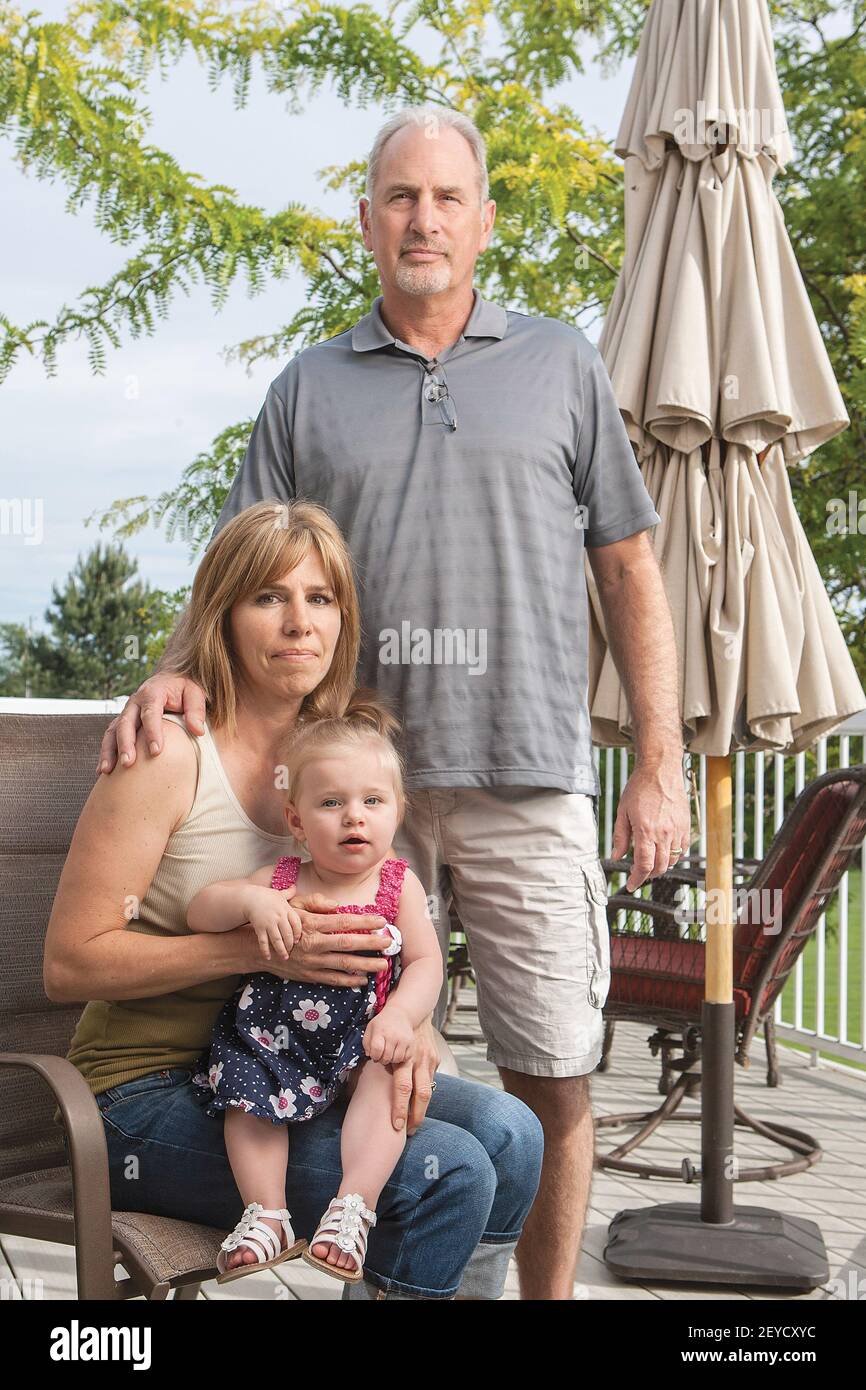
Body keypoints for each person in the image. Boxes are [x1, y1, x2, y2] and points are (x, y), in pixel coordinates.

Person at [97, 104, 692, 1300]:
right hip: (353, 797)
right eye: (400, 198)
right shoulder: (306, 387)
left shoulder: (561, 363)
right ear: (366, 219)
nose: (424, 219)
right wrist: (168, 670)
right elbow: (237, 571)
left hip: (533, 773)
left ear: (483, 220)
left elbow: (629, 565)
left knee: (555, 1076)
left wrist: (660, 763)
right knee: (357, 1061)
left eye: (447, 198)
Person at [45, 498, 544, 1301]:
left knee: (513, 1135)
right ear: (224, 613)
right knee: (445, 1173)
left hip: (308, 1063)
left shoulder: (337, 757)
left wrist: (405, 1028)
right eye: (268, 597)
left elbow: (398, 941)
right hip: (142, 1092)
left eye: (321, 599)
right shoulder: (167, 751)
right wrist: (253, 947)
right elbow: (69, 964)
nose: (298, 623)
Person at [186, 706, 443, 1284]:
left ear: (397, 812)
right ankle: (267, 1213)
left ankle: (352, 1206)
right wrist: (249, 905)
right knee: (245, 1099)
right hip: (272, 1041)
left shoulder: (398, 884)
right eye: (331, 803)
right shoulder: (281, 880)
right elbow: (199, 911)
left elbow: (427, 962)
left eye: (373, 801)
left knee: (387, 1075)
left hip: (359, 1039)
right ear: (296, 819)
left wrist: (401, 1015)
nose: (354, 816)